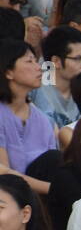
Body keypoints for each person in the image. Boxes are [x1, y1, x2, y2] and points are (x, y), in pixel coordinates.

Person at [0, 40, 57, 190]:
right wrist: (53, 189)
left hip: (41, 198)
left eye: (36, 61)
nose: (38, 68)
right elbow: (3, 174)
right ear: (8, 72)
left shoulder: (42, 120)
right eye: (29, 61)